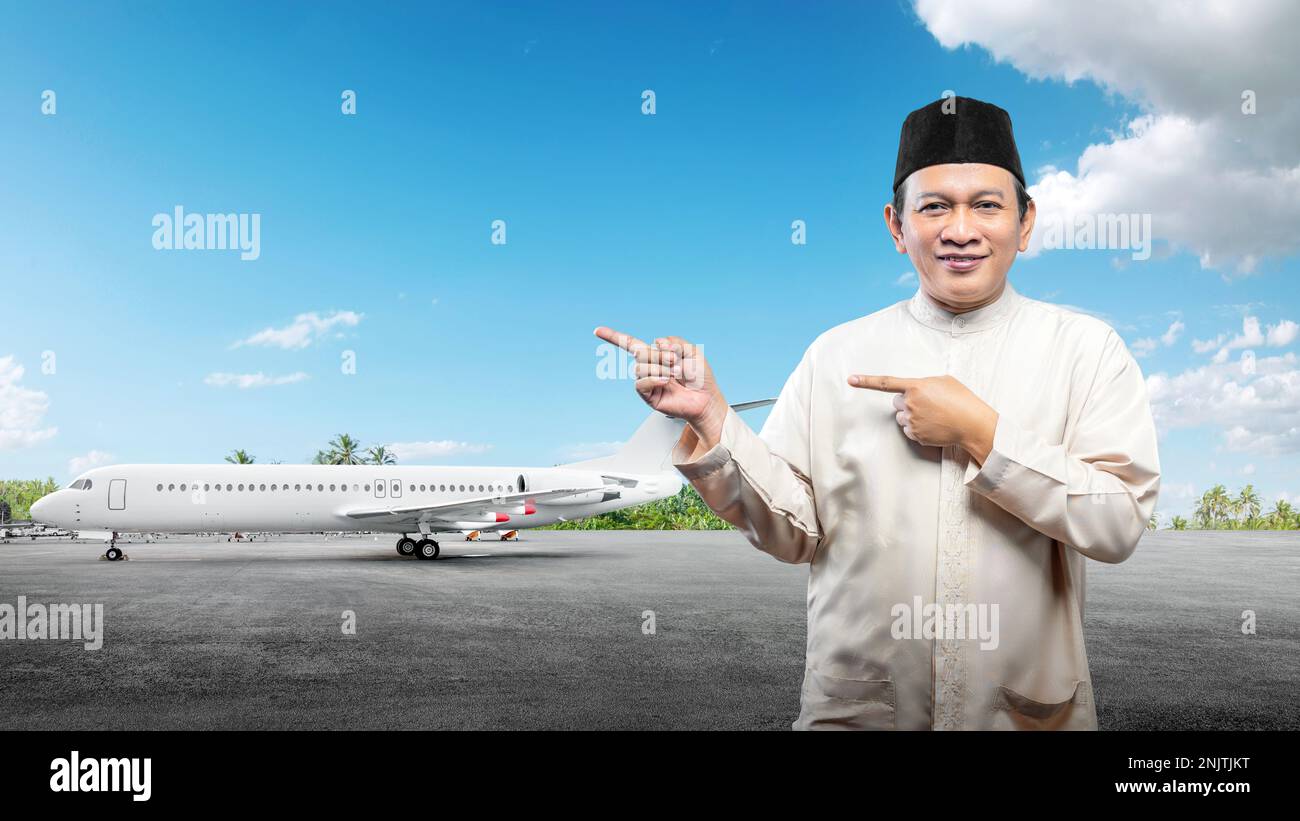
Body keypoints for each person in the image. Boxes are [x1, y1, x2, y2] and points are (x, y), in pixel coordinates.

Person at [594, 95, 1161, 730]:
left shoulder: (1086, 351)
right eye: (935, 206)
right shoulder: (835, 354)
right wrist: (712, 415)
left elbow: (1117, 525)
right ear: (896, 226)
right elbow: (793, 533)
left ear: (1025, 224)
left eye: (987, 205)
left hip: (1025, 714)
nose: (961, 229)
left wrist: (983, 435)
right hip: (860, 712)